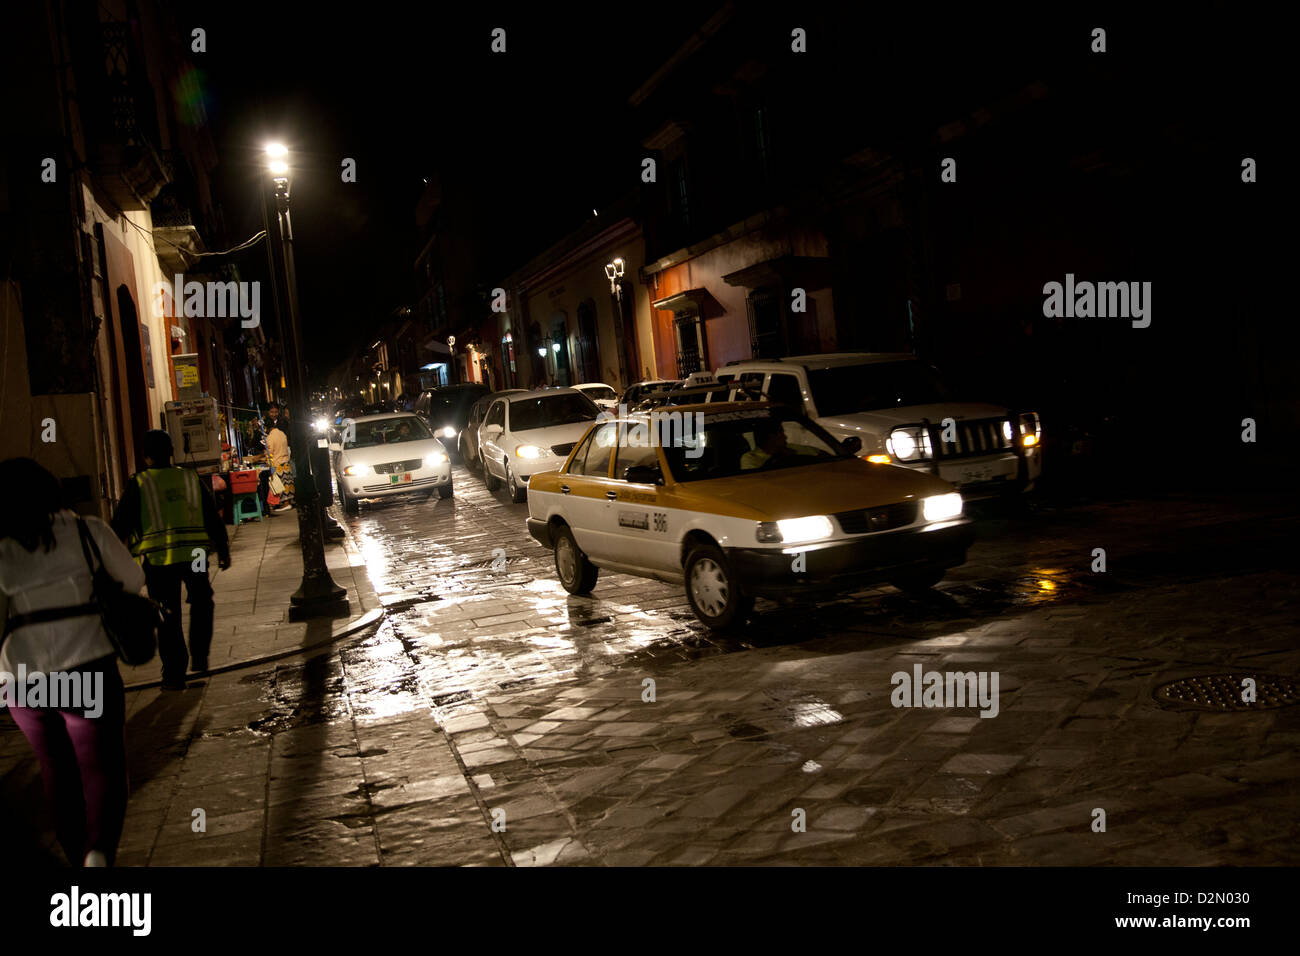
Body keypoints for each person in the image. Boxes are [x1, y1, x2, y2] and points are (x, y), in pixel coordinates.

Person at [0, 458, 140, 867]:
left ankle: (74, 849)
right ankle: (97, 853)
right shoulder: (87, 531)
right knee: (101, 767)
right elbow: (131, 579)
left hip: (24, 680)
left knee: (55, 769)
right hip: (87, 666)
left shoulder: (3, 550)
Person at [111, 430, 230, 688]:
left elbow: (119, 525)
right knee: (202, 601)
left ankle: (175, 672)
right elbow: (211, 515)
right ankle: (199, 657)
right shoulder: (189, 478)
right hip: (196, 556)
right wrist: (223, 549)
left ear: (146, 456)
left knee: (168, 613)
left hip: (160, 559)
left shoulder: (140, 483)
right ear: (171, 452)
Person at [740, 419, 823, 470]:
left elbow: (821, 455)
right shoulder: (750, 458)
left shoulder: (792, 448)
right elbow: (754, 481)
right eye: (781, 432)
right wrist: (780, 457)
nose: (785, 437)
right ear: (771, 436)